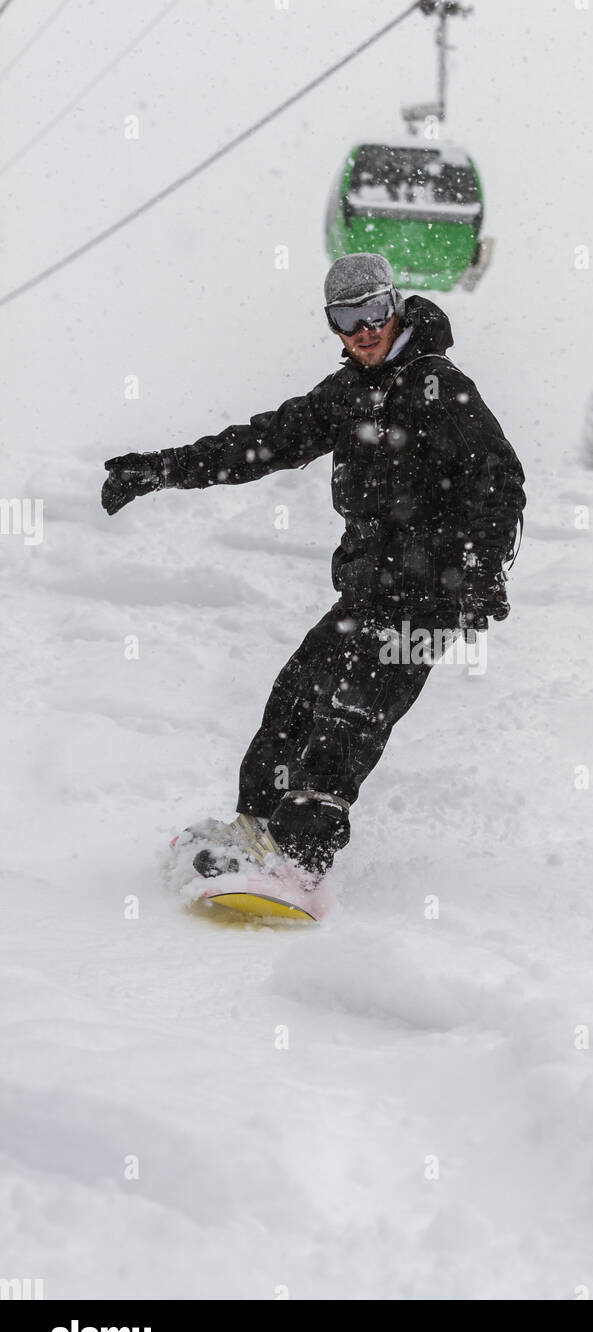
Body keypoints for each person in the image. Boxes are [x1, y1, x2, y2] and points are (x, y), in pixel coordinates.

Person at [102, 253, 526, 887]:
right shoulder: (347, 393)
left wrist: (482, 571)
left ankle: (299, 862)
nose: (362, 330)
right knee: (295, 697)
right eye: (345, 318)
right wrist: (162, 469)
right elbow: (259, 443)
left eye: (373, 312)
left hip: (429, 598)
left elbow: (501, 484)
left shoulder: (440, 387)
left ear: (396, 305)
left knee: (353, 716)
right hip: (367, 593)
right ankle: (256, 828)